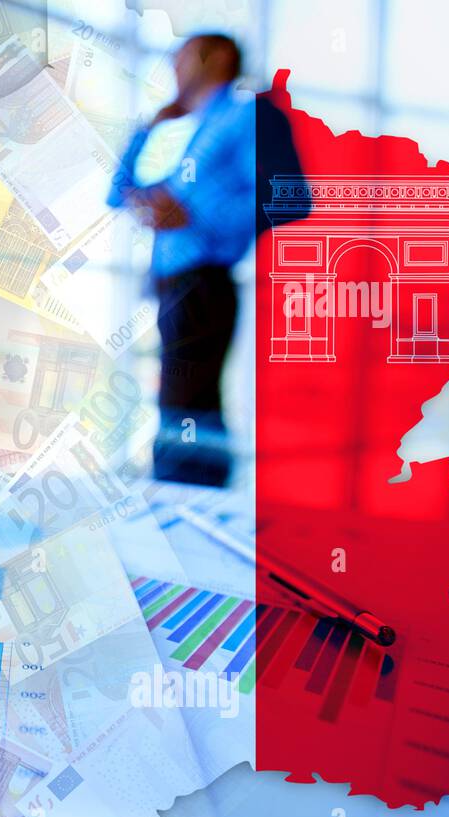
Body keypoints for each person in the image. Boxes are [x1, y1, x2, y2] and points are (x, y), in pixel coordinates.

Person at [108, 34, 256, 487]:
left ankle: (181, 510)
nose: (172, 66)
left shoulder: (243, 117)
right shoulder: (195, 133)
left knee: (184, 404)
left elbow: (283, 197)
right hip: (176, 286)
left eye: (181, 56)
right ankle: (191, 512)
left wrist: (193, 219)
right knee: (186, 405)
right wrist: (147, 128)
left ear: (217, 59)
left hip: (203, 284)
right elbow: (116, 194)